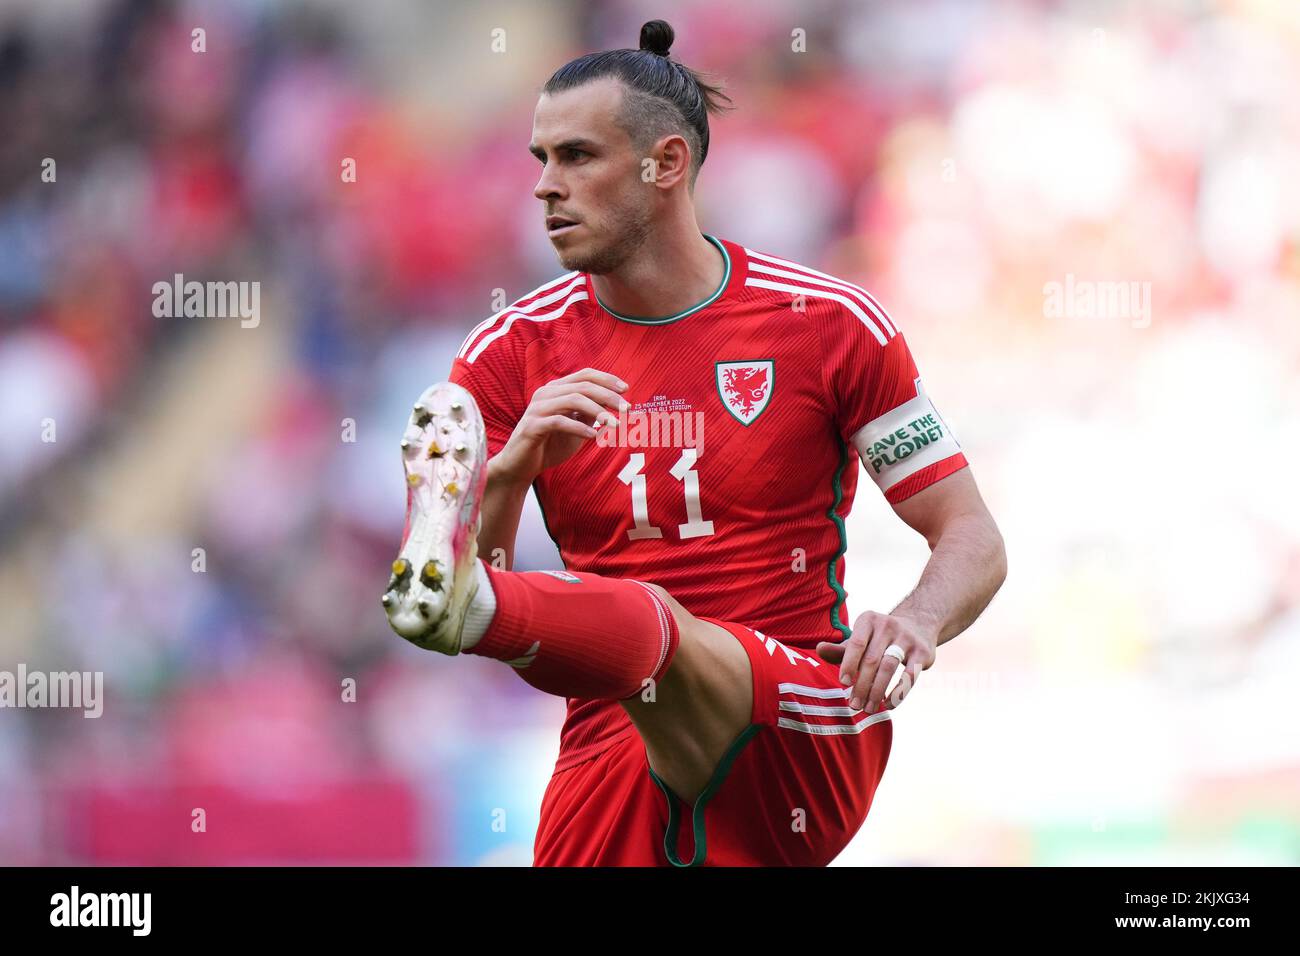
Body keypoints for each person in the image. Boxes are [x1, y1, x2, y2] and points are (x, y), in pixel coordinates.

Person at [382, 19, 1006, 866]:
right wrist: (510, 470)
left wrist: (914, 622)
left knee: (651, 619)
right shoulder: (509, 354)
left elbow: (970, 535)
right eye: (540, 161)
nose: (545, 187)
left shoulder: (826, 324)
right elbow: (477, 586)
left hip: (801, 718)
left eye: (577, 157)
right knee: (597, 628)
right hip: (612, 733)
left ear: (665, 164)